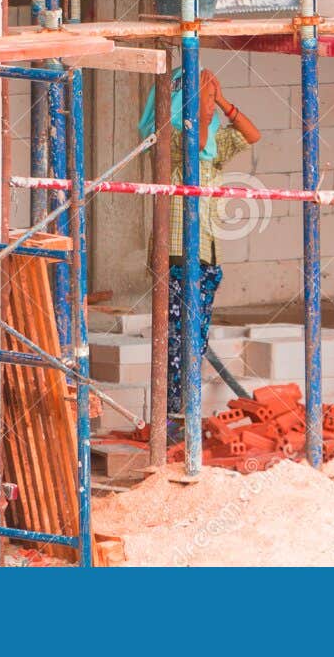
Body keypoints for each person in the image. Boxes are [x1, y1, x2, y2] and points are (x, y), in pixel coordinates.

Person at [138, 67, 260, 428]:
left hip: (206, 252)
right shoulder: (170, 139)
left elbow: (253, 135)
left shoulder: (210, 147)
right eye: (204, 98)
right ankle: (174, 414)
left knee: (195, 335)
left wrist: (221, 101)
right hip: (178, 252)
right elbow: (193, 141)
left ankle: (184, 412)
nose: (210, 105)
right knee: (179, 337)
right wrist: (203, 109)